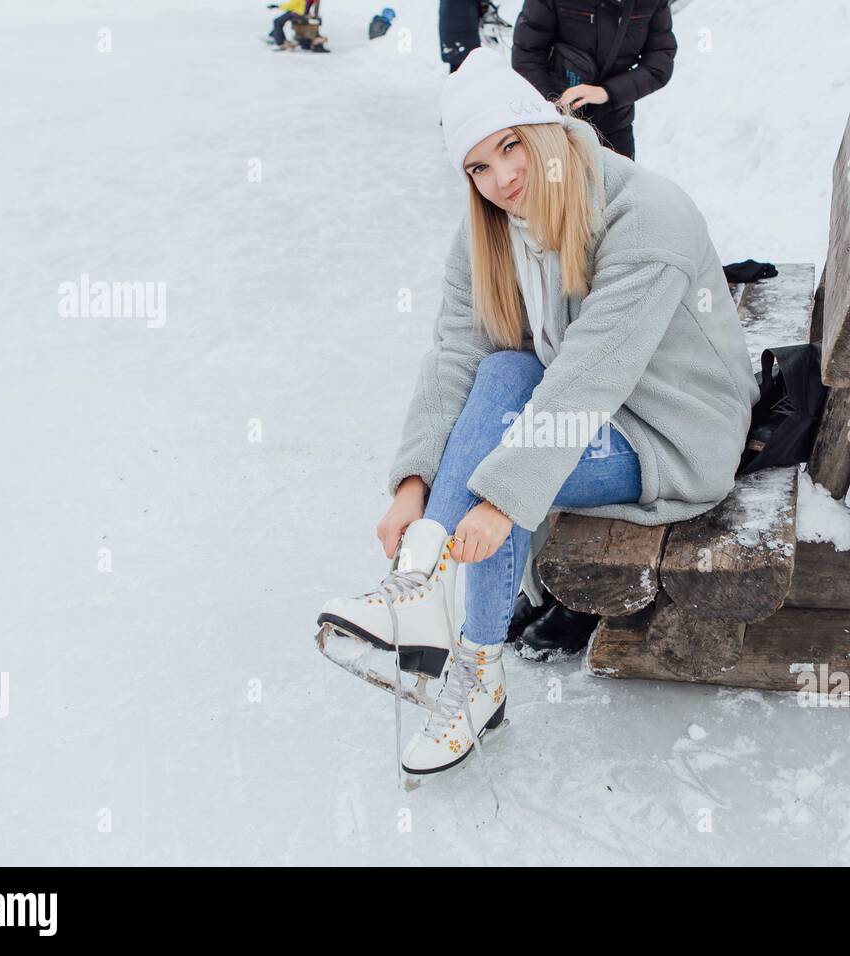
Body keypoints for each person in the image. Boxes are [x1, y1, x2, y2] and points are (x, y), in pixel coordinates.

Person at [316, 48, 756, 778]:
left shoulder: (646, 215)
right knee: (500, 368)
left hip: (671, 433)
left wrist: (501, 496)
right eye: (478, 168)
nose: (501, 180)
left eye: (510, 146)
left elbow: (591, 374)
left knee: (509, 469)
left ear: (545, 127)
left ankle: (476, 672)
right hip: (579, 410)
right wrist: (414, 485)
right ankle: (419, 577)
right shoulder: (494, 228)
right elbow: (456, 352)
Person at [510, 0, 677, 160]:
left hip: (615, 124)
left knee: (618, 187)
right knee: (562, 188)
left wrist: (608, 92)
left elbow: (659, 62)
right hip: (558, 124)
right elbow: (527, 55)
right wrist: (554, 107)